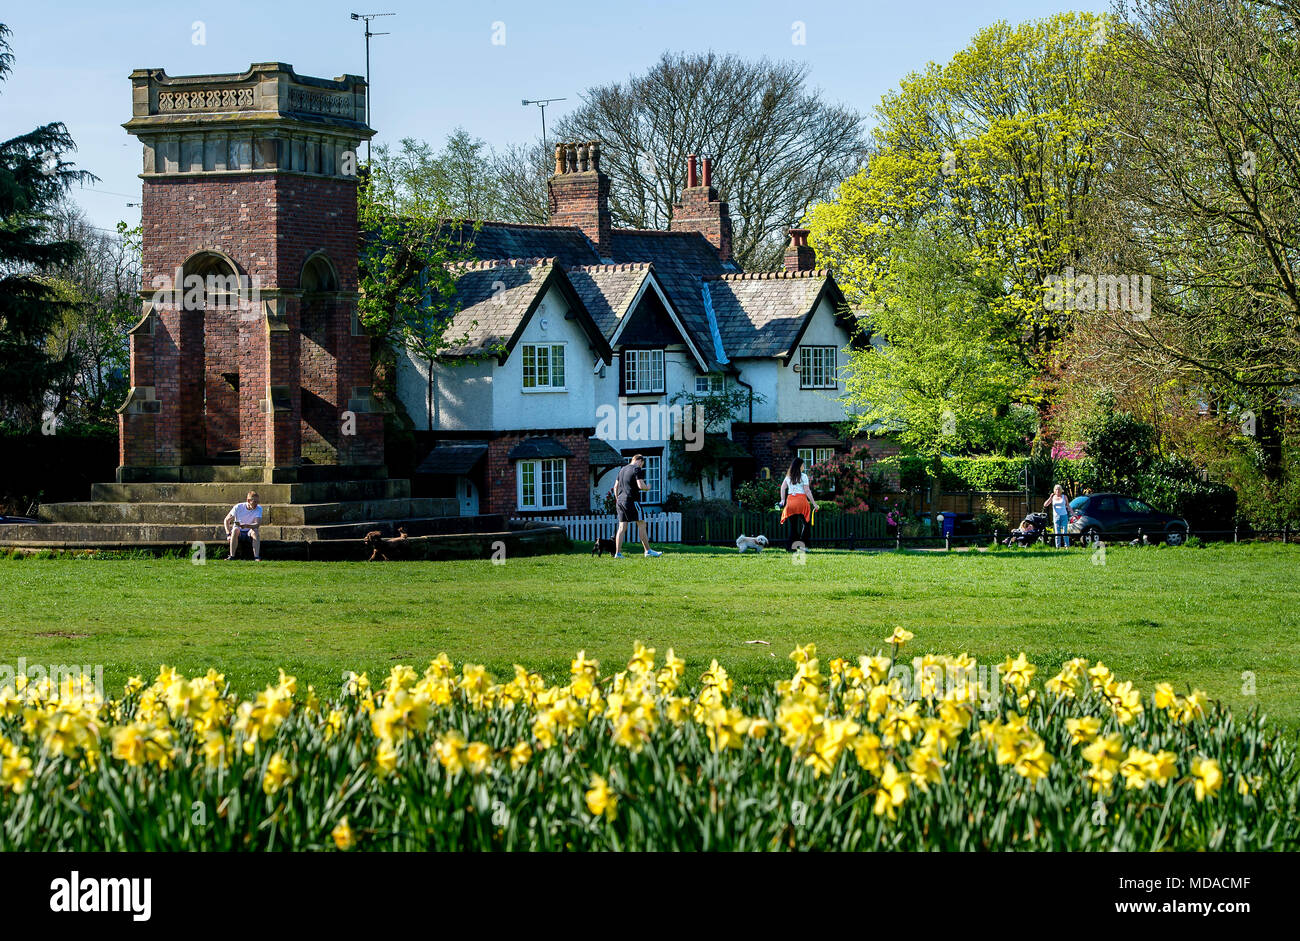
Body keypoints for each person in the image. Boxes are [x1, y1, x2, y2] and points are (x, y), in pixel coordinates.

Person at [612, 455, 662, 559]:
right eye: (642, 464)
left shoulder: (622, 470)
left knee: (622, 527)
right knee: (641, 523)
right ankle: (648, 551)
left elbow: (615, 486)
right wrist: (647, 488)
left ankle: (618, 553)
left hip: (620, 501)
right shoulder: (636, 469)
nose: (641, 466)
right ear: (639, 460)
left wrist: (617, 499)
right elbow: (640, 485)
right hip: (632, 501)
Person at [779, 456, 818, 551]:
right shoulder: (803, 476)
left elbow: (783, 488)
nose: (804, 466)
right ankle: (802, 545)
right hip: (801, 502)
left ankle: (791, 547)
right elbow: (807, 491)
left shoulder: (788, 476)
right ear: (799, 466)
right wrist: (814, 503)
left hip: (790, 502)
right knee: (806, 524)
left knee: (793, 526)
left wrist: (782, 500)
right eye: (803, 464)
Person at [224, 490, 263, 561]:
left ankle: (256, 557)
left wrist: (246, 526)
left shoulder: (259, 508)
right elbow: (227, 520)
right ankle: (232, 556)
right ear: (248, 500)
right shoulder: (238, 507)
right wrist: (228, 534)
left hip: (249, 531)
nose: (256, 504)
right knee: (235, 530)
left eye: (257, 502)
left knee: (255, 532)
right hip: (238, 531)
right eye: (254, 502)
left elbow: (257, 524)